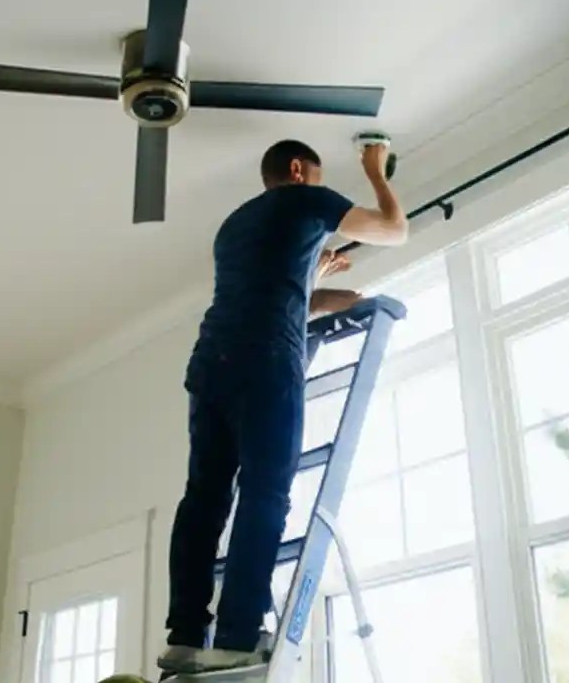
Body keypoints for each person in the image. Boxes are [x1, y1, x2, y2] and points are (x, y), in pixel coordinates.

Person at [158, 139, 407, 674]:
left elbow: (294, 298)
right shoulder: (302, 200)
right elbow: (393, 229)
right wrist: (374, 170)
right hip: (266, 359)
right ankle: (239, 632)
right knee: (265, 493)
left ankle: (183, 634)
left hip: (210, 363)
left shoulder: (233, 228)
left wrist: (323, 277)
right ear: (298, 171)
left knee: (203, 498)